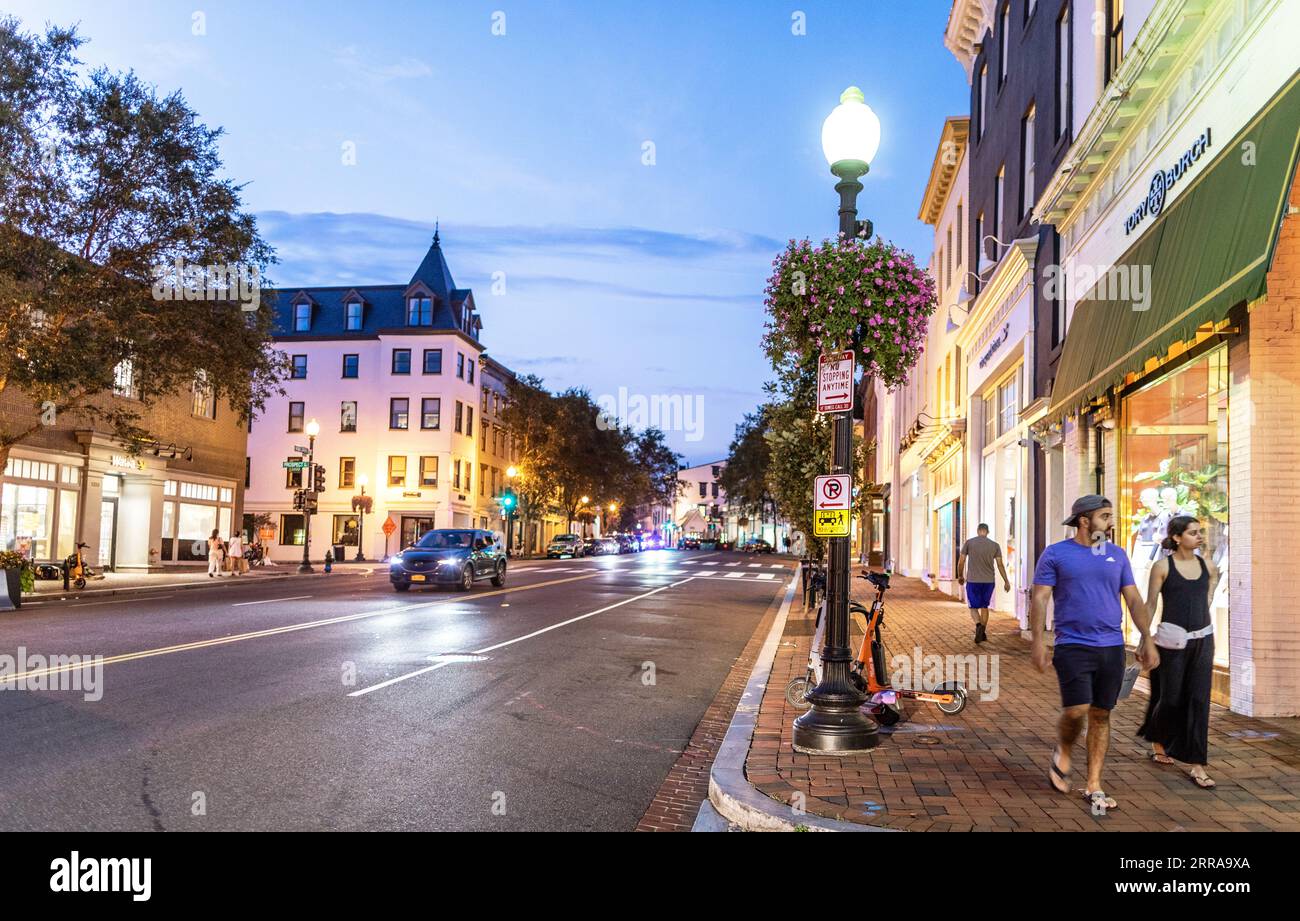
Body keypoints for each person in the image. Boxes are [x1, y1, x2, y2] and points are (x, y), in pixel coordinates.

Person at [1030, 495, 1158, 814]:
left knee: (1101, 713)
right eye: (1105, 516)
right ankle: (1064, 747)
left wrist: (1146, 637)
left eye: (1111, 516)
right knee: (1076, 710)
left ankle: (1094, 784)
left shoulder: (1117, 555)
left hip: (1111, 646)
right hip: (1072, 644)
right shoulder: (1056, 554)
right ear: (1084, 521)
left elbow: (1133, 598)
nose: (1111, 522)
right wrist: (1037, 640)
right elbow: (1041, 598)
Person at [1138, 515, 1218, 789]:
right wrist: (1144, 639)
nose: (1199, 536)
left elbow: (1206, 600)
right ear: (1176, 537)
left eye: (1200, 532)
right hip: (1170, 643)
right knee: (1170, 699)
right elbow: (1149, 605)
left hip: (1203, 642)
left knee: (1198, 701)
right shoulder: (1162, 567)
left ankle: (1198, 766)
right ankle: (1158, 738)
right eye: (1193, 532)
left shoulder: (1208, 566)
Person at [956, 523, 1011, 644]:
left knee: (973, 607)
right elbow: (1000, 565)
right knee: (984, 606)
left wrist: (960, 575)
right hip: (988, 581)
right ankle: (983, 631)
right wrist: (1006, 581)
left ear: (978, 531)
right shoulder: (995, 546)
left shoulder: (969, 543)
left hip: (973, 581)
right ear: (987, 532)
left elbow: (961, 562)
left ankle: (978, 626)